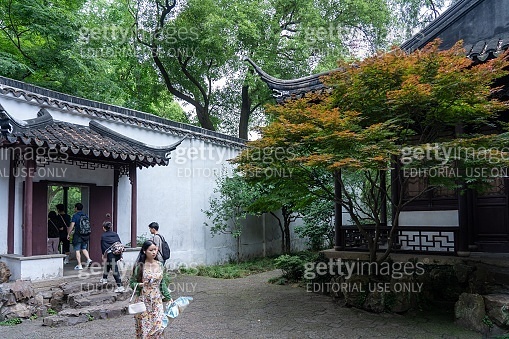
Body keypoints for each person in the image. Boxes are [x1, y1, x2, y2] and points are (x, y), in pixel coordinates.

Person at [129, 240, 173, 338]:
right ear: (144, 251)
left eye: (155, 250)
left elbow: (162, 284)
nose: (154, 252)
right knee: (146, 328)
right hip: (143, 301)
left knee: (159, 326)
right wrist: (139, 284)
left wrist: (169, 297)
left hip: (157, 301)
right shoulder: (139, 266)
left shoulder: (160, 264)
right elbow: (131, 283)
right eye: (151, 250)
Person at [100, 221, 124, 292]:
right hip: (117, 254)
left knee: (114, 270)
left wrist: (103, 254)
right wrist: (121, 255)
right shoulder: (115, 234)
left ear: (104, 228)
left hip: (111, 254)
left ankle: (120, 286)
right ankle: (104, 278)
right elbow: (119, 243)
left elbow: (103, 246)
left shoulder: (103, 236)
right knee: (108, 264)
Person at [67, 202, 92, 270]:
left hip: (78, 235)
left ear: (76, 208)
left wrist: (68, 234)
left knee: (77, 250)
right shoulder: (85, 215)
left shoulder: (75, 216)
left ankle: (79, 265)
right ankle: (89, 259)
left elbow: (72, 225)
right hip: (85, 235)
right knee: (84, 248)